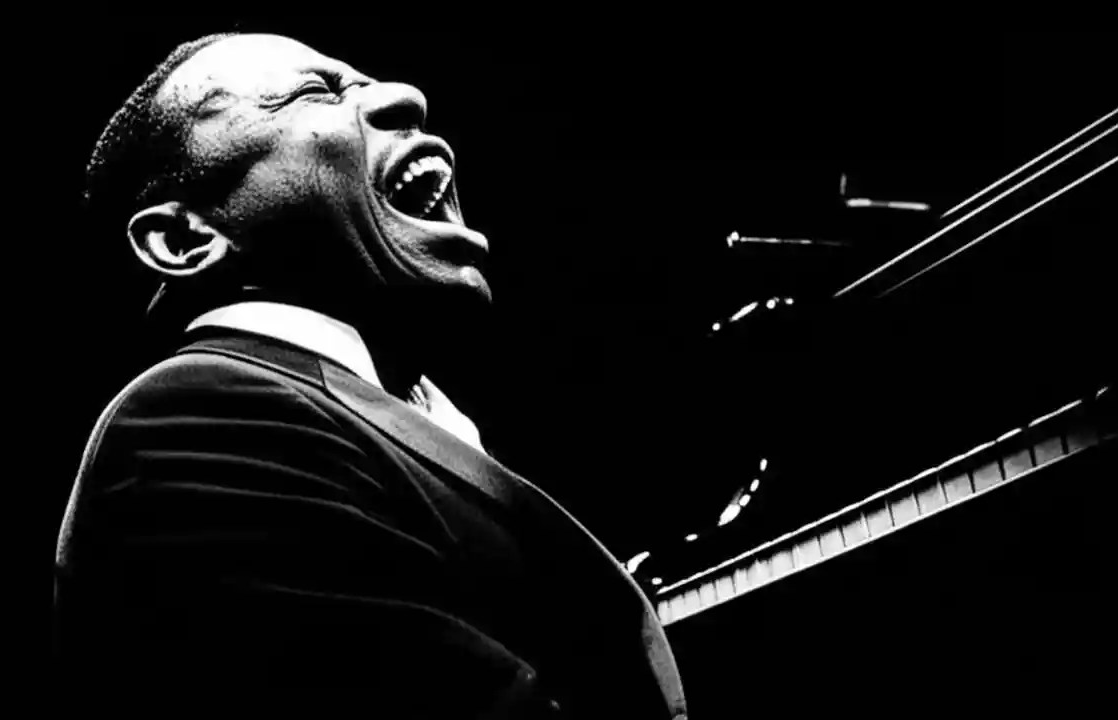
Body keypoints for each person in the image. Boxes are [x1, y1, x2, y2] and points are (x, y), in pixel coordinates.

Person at [53, 32, 687, 718]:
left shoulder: (375, 412)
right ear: (186, 240)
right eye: (318, 92)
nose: (404, 96)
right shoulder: (186, 425)